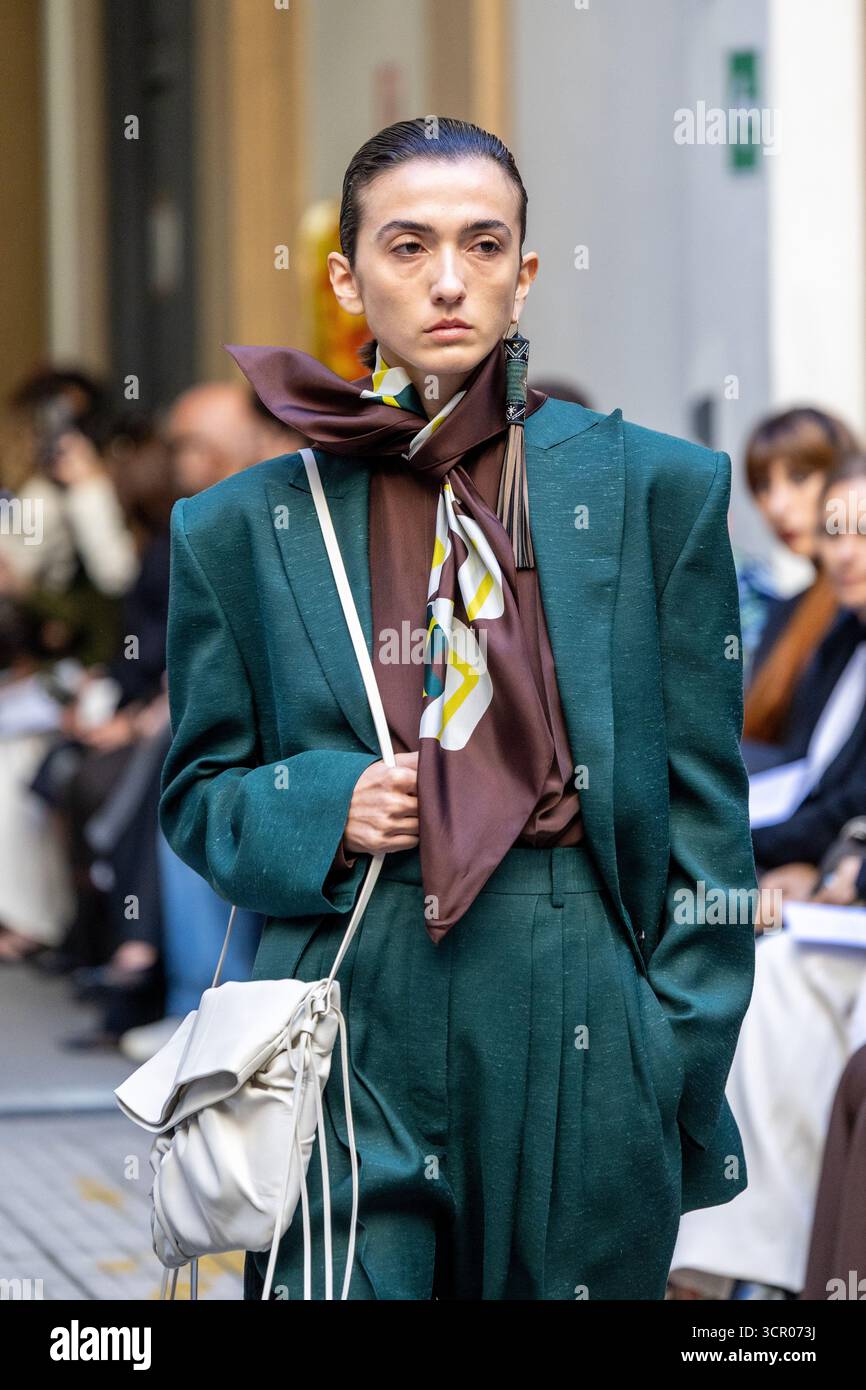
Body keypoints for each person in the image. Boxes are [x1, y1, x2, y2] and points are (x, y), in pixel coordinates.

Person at [158, 116, 757, 1301]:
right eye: (407, 245)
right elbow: (198, 793)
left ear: (524, 271)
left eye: (483, 246)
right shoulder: (240, 523)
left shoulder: (652, 493)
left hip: (579, 970)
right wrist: (326, 801)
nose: (446, 280)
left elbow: (705, 808)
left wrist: (670, 1049)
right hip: (349, 988)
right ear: (346, 277)